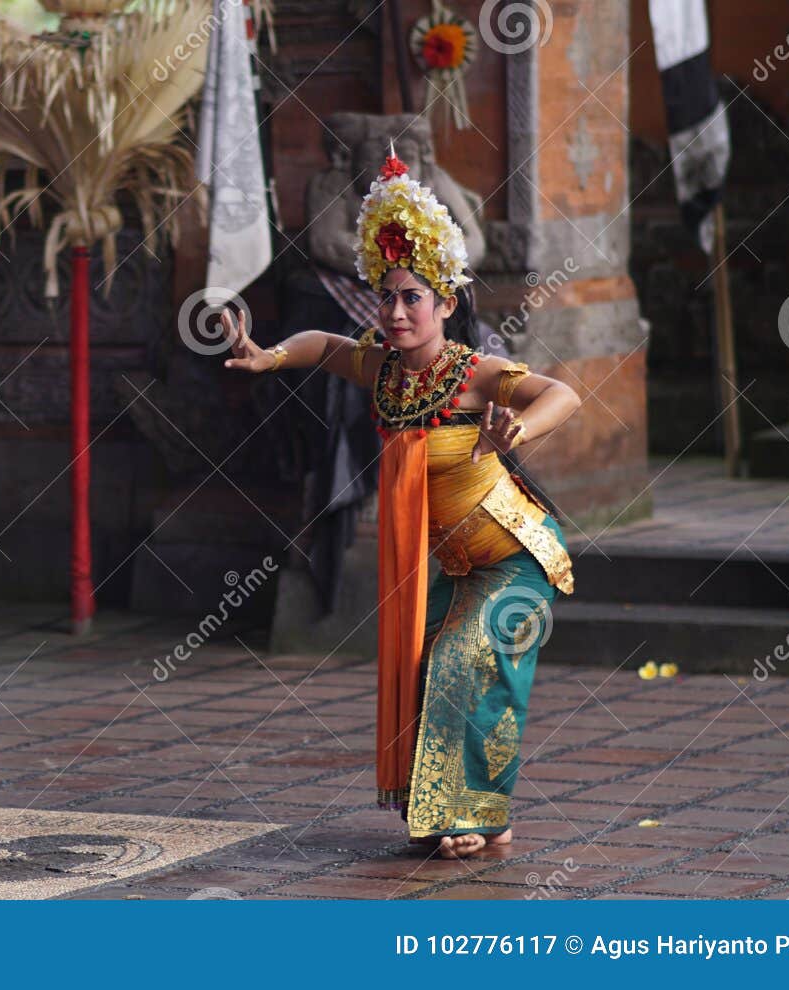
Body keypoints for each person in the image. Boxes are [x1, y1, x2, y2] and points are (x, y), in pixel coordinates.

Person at [221, 147, 580, 858]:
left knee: (465, 663)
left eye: (412, 297)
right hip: (451, 564)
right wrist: (270, 356)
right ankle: (469, 815)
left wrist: (517, 428)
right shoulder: (383, 369)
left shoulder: (473, 372)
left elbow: (562, 395)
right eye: (386, 297)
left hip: (516, 557)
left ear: (446, 302)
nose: (395, 311)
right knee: (424, 670)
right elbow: (323, 345)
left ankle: (475, 815)